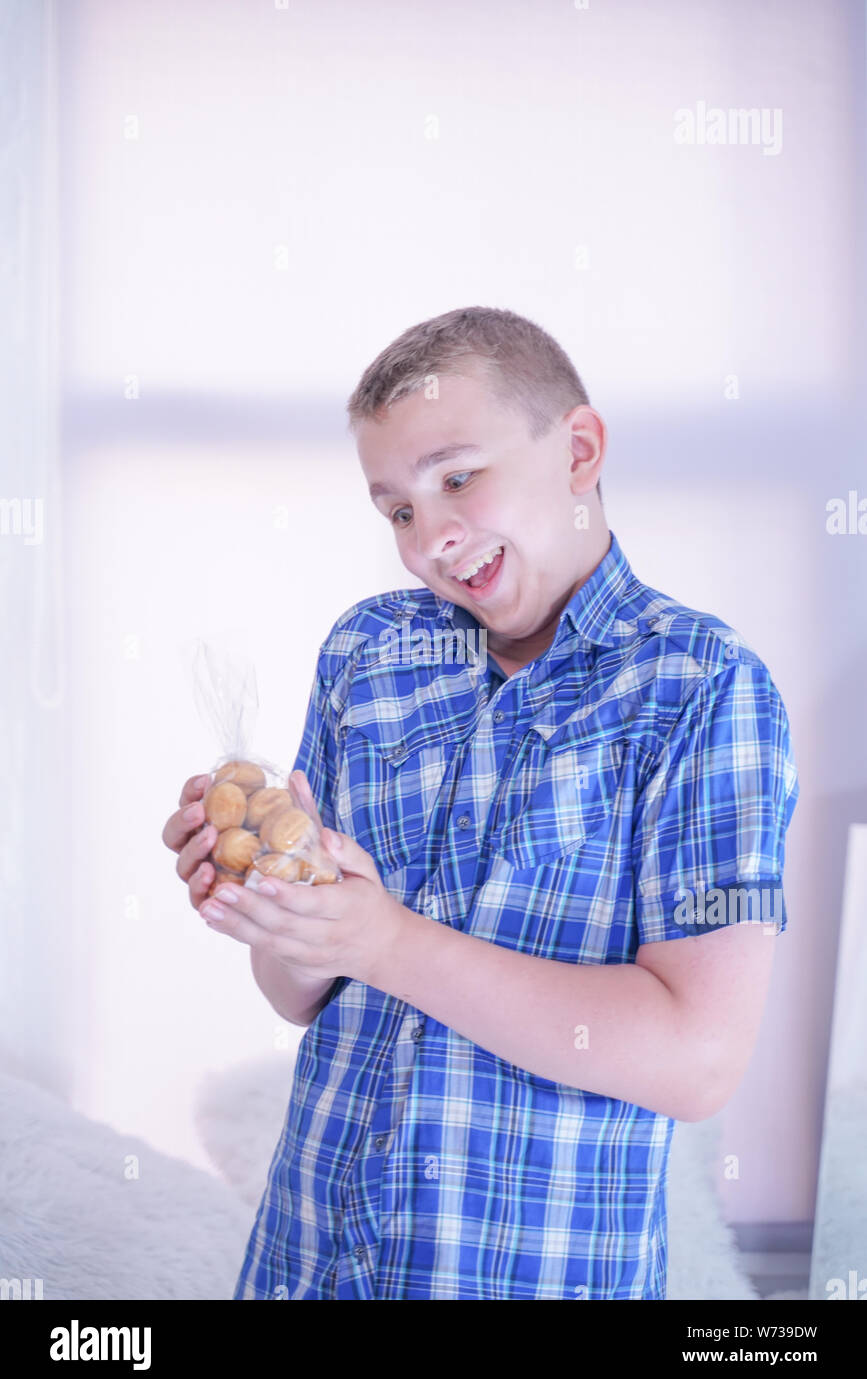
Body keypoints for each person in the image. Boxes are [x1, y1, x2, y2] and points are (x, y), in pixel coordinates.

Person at [162, 306, 800, 1300]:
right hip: (303, 1268)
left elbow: (697, 1056)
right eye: (399, 510)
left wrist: (384, 941)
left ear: (579, 449)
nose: (431, 540)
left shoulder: (701, 688)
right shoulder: (369, 655)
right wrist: (270, 906)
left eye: (458, 477)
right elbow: (300, 993)